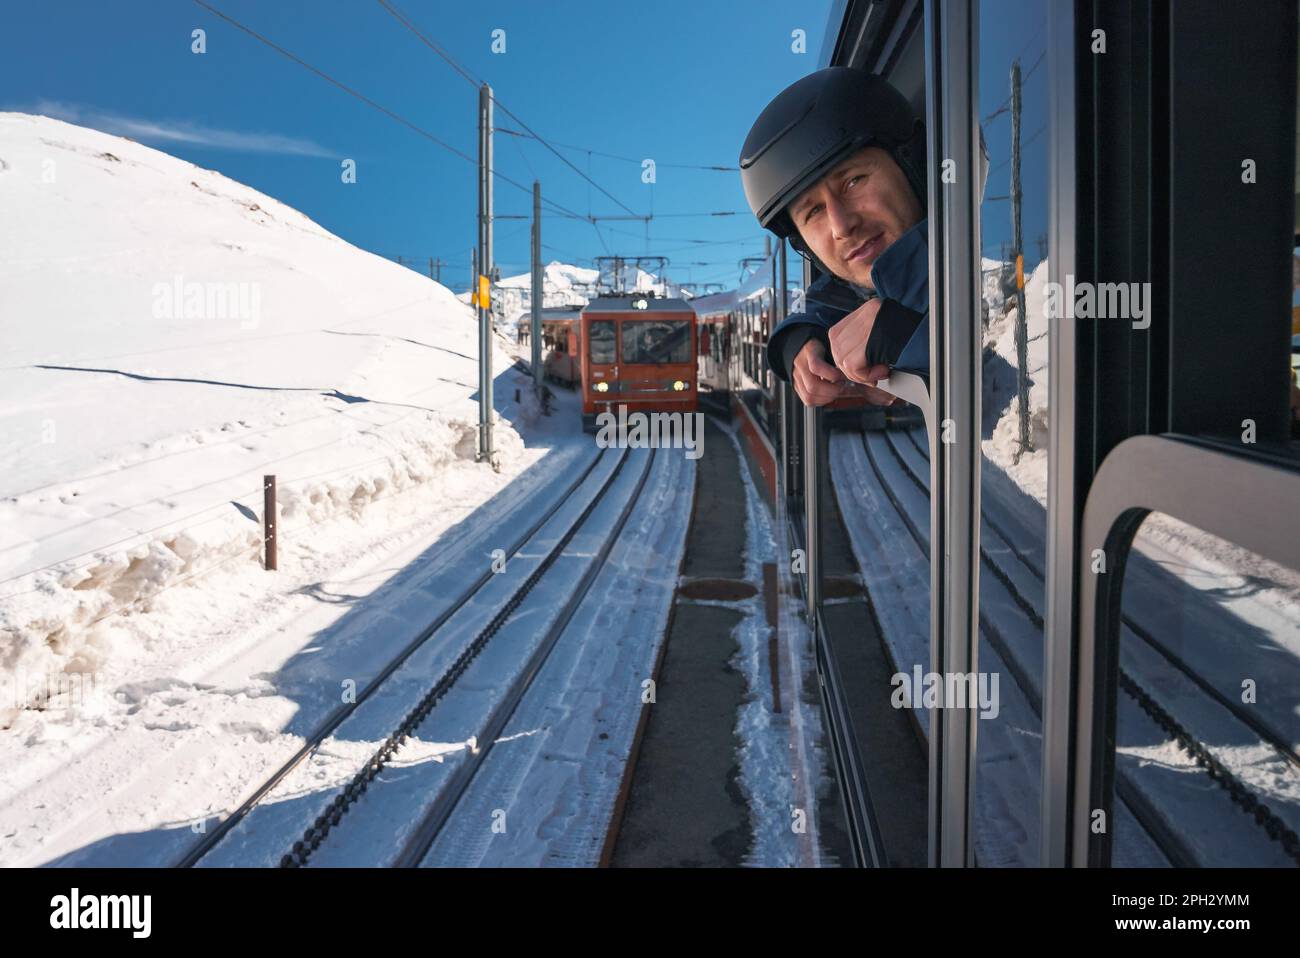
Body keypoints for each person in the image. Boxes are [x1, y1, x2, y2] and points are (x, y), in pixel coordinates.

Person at [739, 67, 931, 408]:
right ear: (803, 246)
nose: (841, 226)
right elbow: (829, 302)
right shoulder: (859, 287)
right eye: (813, 212)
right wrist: (801, 341)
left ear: (911, 162)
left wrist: (920, 339)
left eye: (854, 181)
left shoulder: (992, 251)